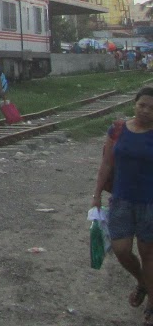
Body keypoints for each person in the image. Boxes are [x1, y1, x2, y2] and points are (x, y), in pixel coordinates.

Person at [93, 86, 153, 325]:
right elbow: (106, 163)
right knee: (121, 250)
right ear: (134, 104)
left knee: (148, 255)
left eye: (152, 108)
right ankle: (142, 282)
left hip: (150, 203)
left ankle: (151, 304)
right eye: (142, 105)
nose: (146, 111)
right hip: (121, 199)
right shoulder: (118, 129)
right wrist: (96, 194)